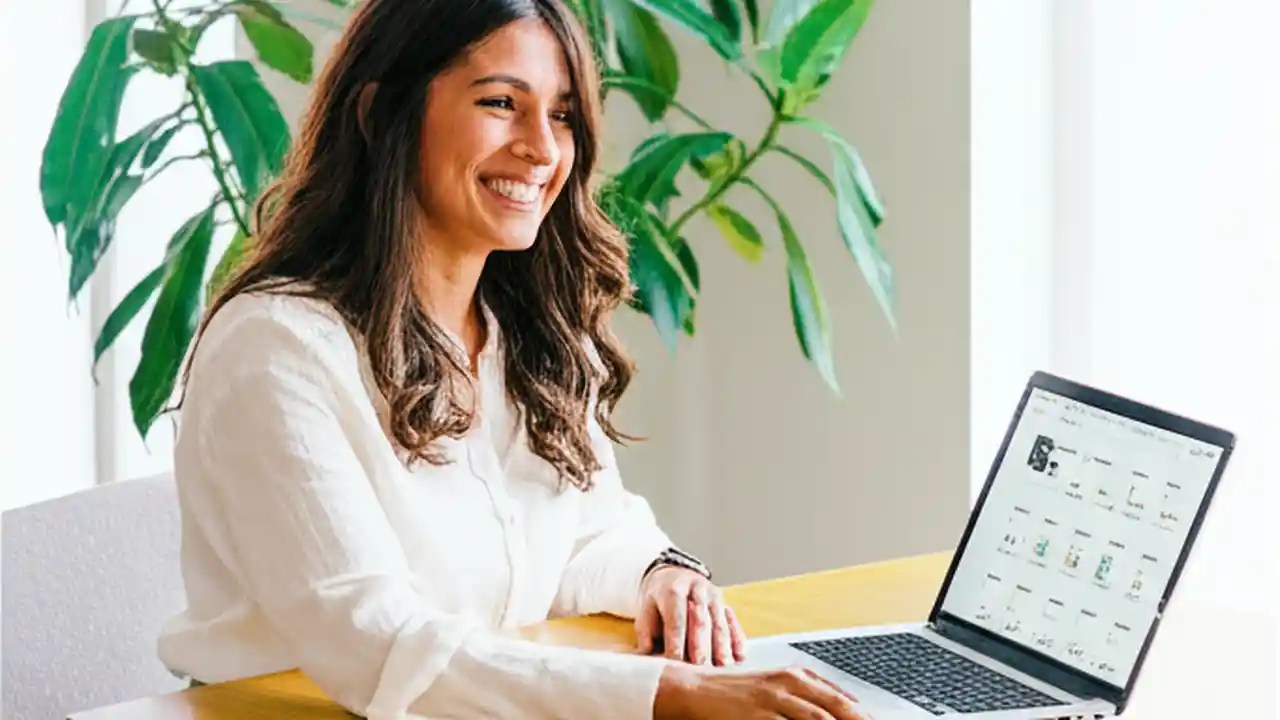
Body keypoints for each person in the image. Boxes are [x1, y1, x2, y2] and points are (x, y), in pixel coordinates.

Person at [158, 0, 867, 718]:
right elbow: (378, 642)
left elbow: (580, 537)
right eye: (501, 102)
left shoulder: (524, 333)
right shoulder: (275, 350)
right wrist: (666, 694)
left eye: (561, 115)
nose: (542, 148)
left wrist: (659, 573)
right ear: (380, 117)